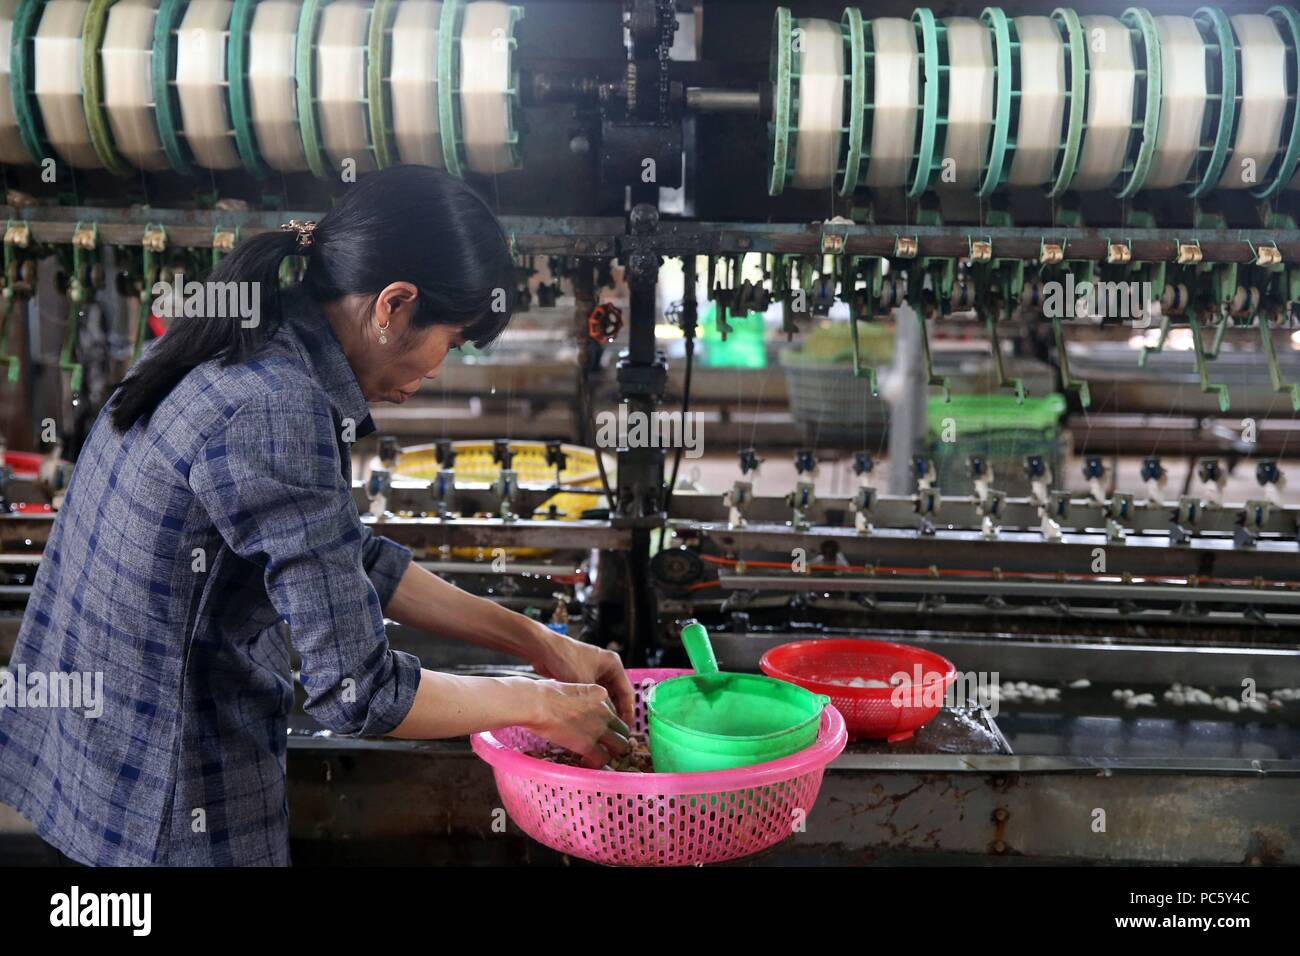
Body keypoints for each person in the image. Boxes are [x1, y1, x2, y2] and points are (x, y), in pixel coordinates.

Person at [0, 165, 634, 865]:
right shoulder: (276, 403)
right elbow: (360, 693)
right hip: (171, 790)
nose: (437, 370)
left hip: (101, 755)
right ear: (393, 304)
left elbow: (343, 552)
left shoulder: (238, 335)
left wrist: (540, 644)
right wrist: (541, 705)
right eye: (449, 342)